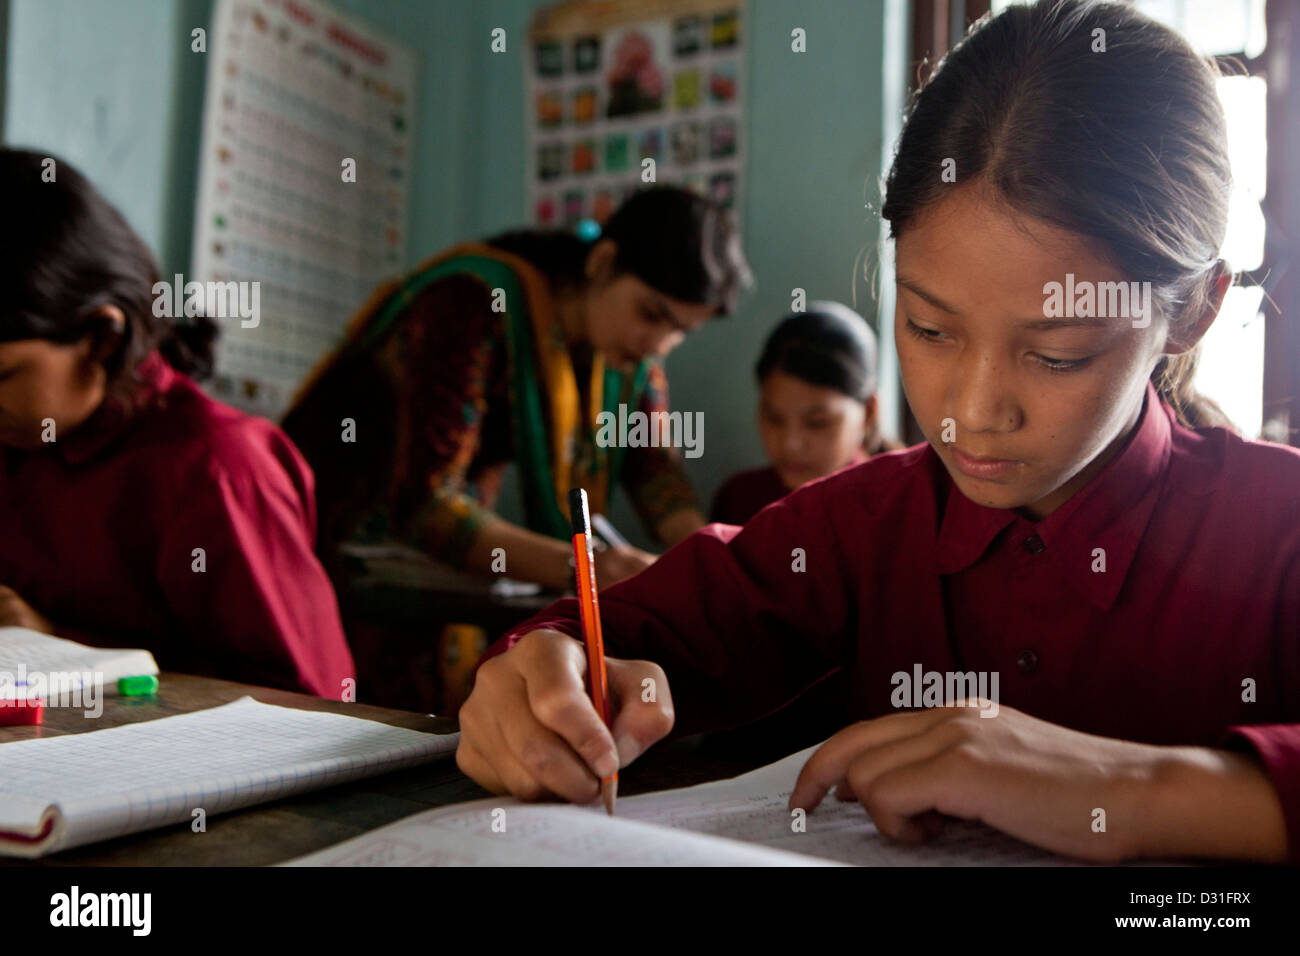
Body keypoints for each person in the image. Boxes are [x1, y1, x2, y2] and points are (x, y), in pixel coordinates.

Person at [455, 0, 1300, 864]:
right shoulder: (861, 528)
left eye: (1056, 354)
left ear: (1193, 308)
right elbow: (622, 632)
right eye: (930, 330)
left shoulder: (1277, 530)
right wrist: (536, 672)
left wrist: (1134, 792)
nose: (971, 412)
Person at [0, 148, 354, 699]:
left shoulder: (219, 470)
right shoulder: (20, 438)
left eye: (2, 376)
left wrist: (61, 646)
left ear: (103, 338)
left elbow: (311, 707)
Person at [282, 187, 752, 590]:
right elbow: (425, 505)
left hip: (439, 574)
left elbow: (651, 468)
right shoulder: (474, 302)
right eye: (651, 315)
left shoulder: (627, 355)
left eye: (681, 333)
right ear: (604, 262)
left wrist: (709, 562)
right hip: (327, 545)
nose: (658, 344)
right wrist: (591, 568)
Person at [712, 302, 900, 524]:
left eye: (817, 422)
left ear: (868, 412)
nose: (791, 444)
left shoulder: (896, 508)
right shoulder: (741, 500)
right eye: (774, 418)